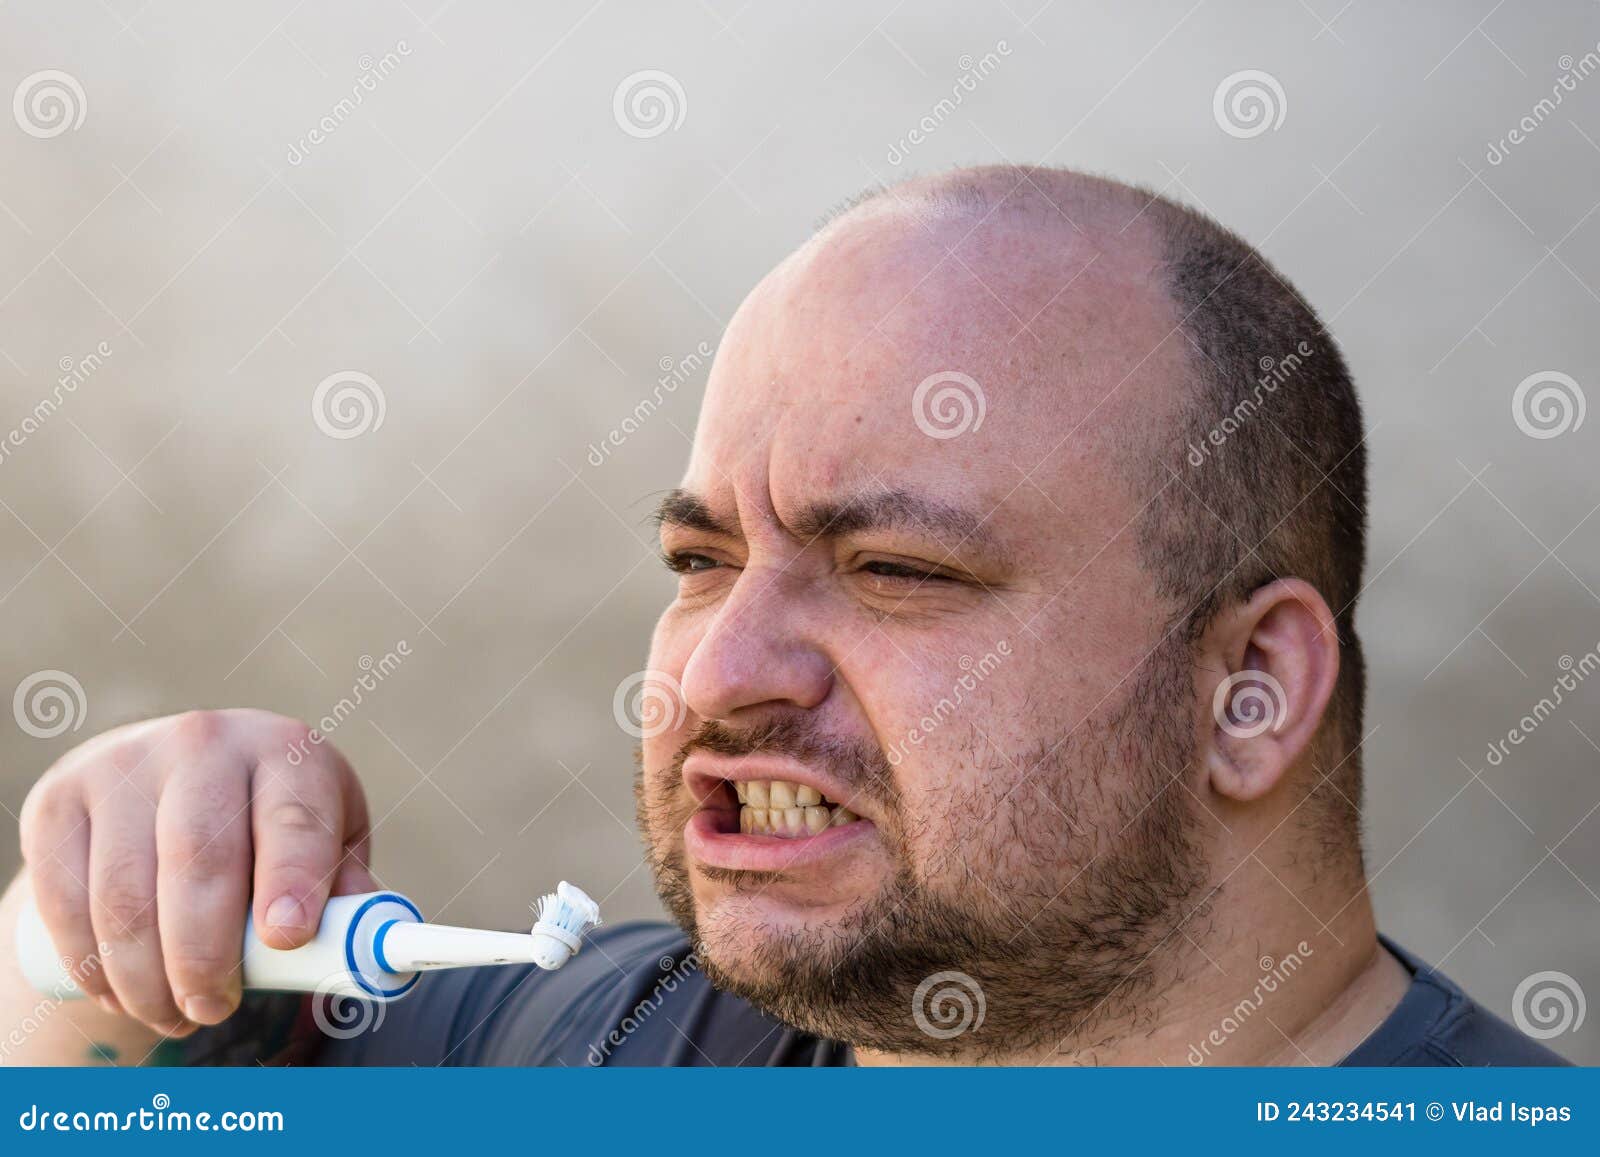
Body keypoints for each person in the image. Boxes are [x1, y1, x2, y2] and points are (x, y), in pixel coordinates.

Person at [0, 166, 1567, 1067]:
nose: (722, 669)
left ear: (1250, 687)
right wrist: (100, 897)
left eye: (897, 569)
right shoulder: (610, 1050)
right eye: (699, 561)